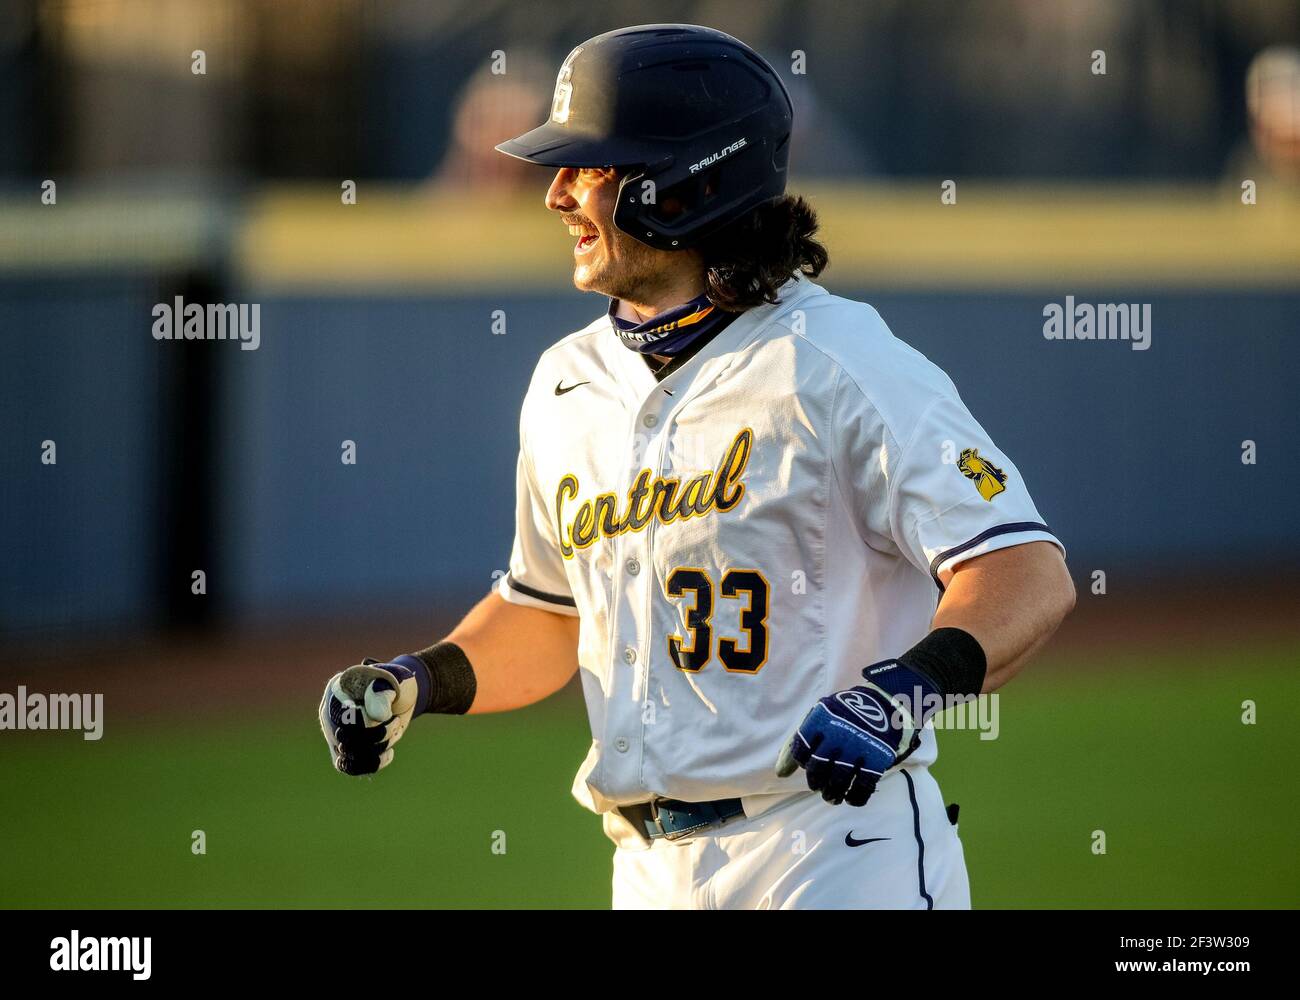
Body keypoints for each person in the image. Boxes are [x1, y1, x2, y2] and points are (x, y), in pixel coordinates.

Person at [319, 23, 1074, 910]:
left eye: (591, 168)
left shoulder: (836, 363)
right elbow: (548, 615)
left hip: (833, 849)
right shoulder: (567, 381)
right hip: (644, 872)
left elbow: (1025, 570)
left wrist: (902, 691)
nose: (558, 195)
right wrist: (417, 681)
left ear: (686, 182)